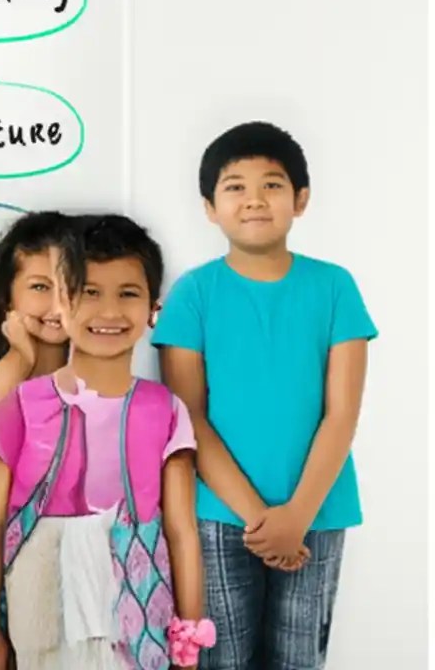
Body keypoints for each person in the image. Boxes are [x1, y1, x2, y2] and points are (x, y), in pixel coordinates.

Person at [153, 121, 376, 670]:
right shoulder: (192, 295)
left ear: (300, 199)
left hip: (316, 515)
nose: (254, 199)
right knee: (223, 658)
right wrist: (260, 519)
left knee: (298, 658)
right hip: (218, 514)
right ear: (209, 206)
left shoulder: (335, 287)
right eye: (234, 186)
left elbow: (342, 413)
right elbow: (189, 418)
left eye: (272, 184)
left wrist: (295, 516)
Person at [0, 215, 209, 670]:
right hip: (39, 617)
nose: (109, 312)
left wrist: (189, 636)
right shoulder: (17, 408)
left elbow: (181, 531)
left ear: (152, 308)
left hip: (140, 625)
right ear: (63, 301)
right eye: (89, 293)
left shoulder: (165, 410)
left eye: (128, 294)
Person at [0, 211, 74, 419]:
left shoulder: (96, 380)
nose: (58, 304)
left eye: (71, 287)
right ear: (6, 295)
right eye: (40, 287)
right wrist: (21, 355)